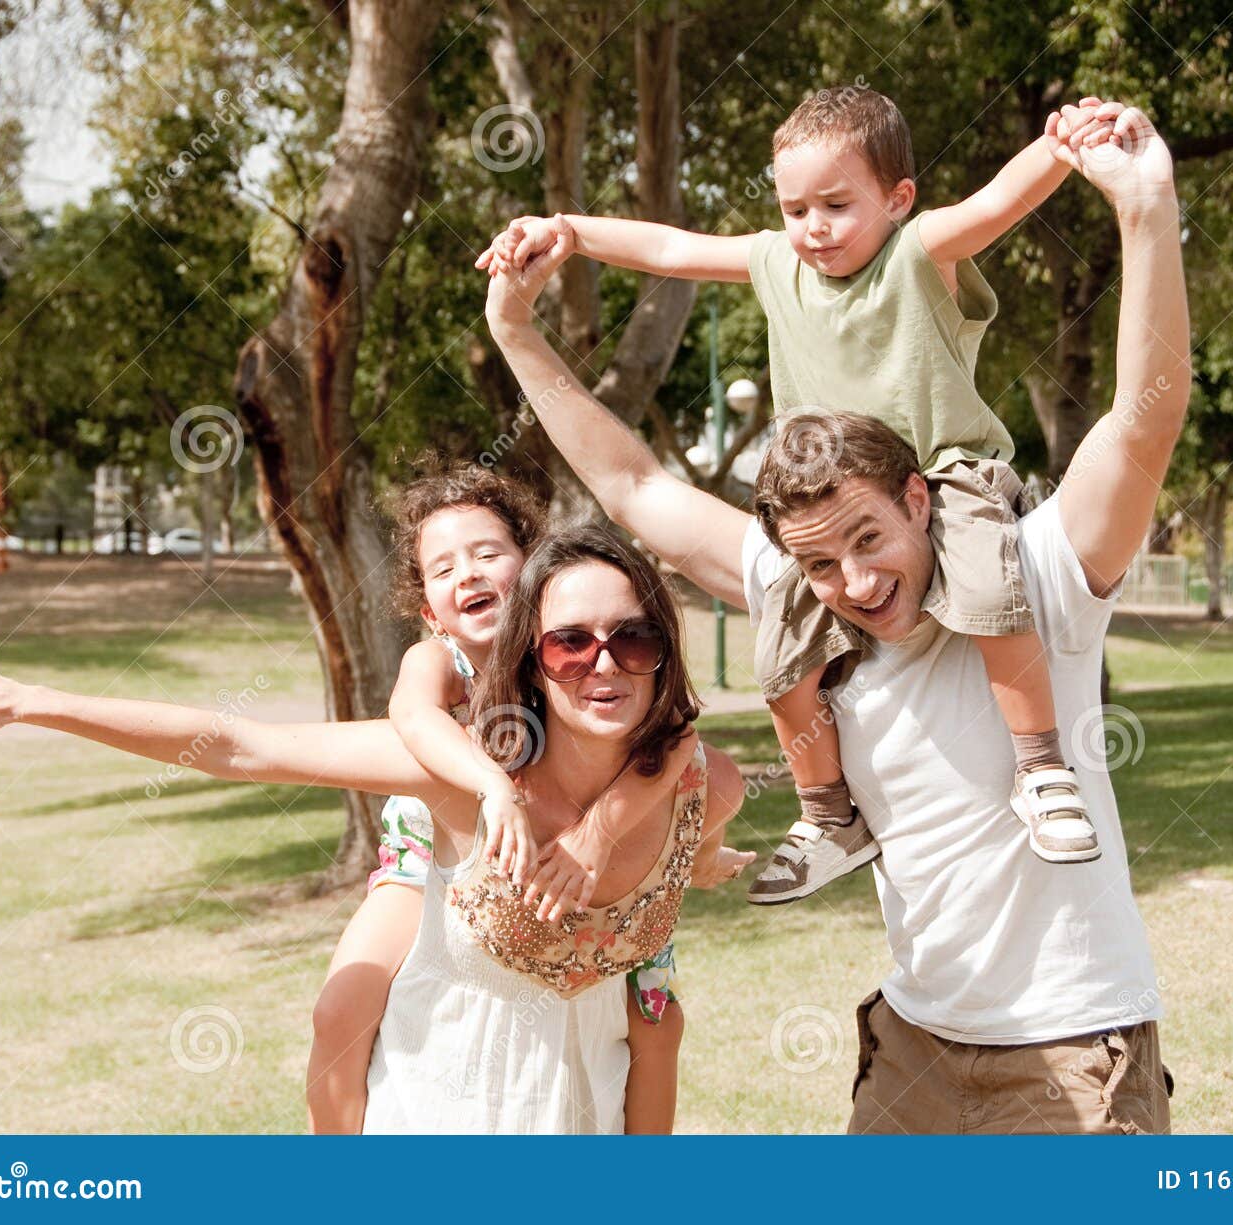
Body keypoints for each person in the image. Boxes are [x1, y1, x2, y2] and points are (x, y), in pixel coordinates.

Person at [482, 99, 1188, 1133]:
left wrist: (1144, 211)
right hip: (911, 1044)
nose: (850, 582)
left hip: (1075, 1048)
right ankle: (827, 823)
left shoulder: (1031, 576)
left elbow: (1145, 415)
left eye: (867, 542)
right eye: (818, 560)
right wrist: (515, 329)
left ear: (918, 500)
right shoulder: (803, 593)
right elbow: (633, 489)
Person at [0, 494, 749, 1135]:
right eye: (571, 642)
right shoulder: (460, 765)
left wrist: (696, 853)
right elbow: (241, 746)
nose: (604, 664)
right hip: (448, 1107)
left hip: (590, 1108)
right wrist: (27, 697)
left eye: (632, 638)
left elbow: (701, 784)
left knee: (661, 1023)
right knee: (341, 1013)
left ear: (664, 651)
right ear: (532, 651)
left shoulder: (705, 781)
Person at [480, 85, 1112, 904]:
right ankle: (828, 814)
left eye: (837, 205)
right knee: (780, 654)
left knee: (993, 590)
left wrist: (1063, 143)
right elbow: (671, 249)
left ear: (898, 197)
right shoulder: (780, 264)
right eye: (794, 207)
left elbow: (997, 203)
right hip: (817, 507)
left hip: (944, 473)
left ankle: (1042, 767)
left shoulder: (918, 252)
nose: (812, 226)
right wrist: (568, 231)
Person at [362, 524, 742, 1132]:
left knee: (659, 1026)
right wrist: (493, 786)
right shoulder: (439, 663)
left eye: (489, 554)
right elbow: (407, 718)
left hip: (616, 913)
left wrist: (611, 837)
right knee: (344, 1007)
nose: (470, 574)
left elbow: (680, 744)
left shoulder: (602, 646)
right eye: (444, 568)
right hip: (421, 854)